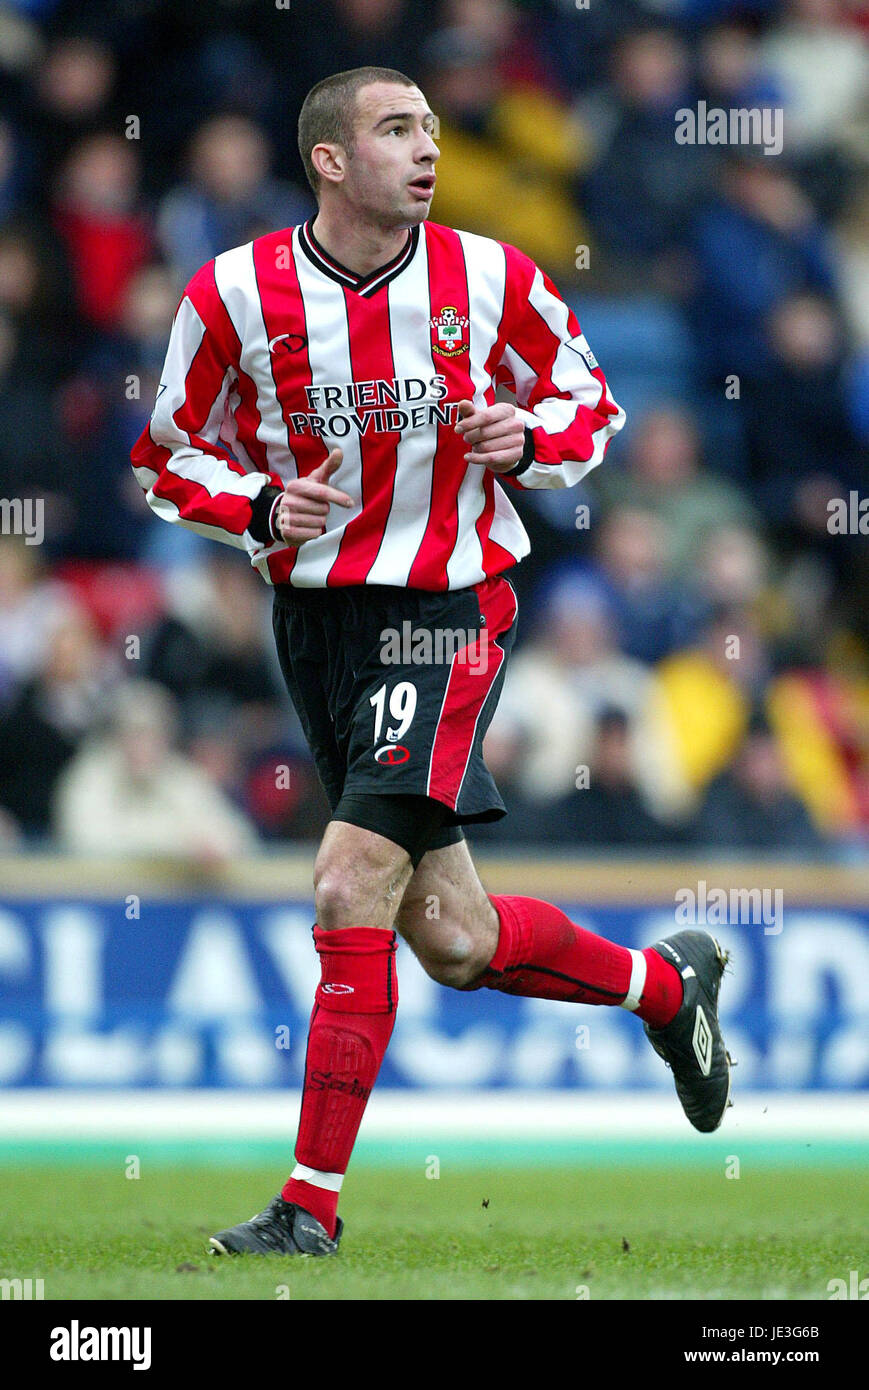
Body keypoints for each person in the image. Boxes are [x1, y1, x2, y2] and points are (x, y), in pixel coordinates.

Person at [132, 66, 732, 1259]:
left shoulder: (490, 275)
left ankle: (307, 1210)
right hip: (316, 625)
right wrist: (257, 504)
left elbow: (590, 406)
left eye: (433, 131)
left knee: (348, 878)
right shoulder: (234, 293)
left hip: (447, 607)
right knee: (450, 937)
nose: (426, 150)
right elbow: (164, 458)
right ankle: (667, 991)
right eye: (397, 129)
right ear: (329, 159)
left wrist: (531, 437)